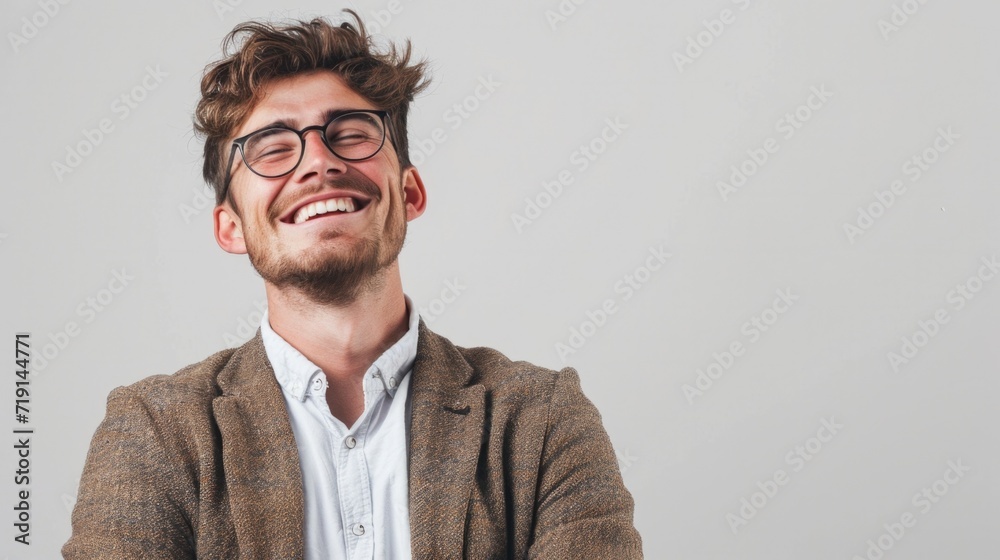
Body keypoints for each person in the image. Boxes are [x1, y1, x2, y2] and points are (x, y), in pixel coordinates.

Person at [63, 10, 642, 559]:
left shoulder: (542, 420)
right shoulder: (156, 430)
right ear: (231, 227)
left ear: (409, 192)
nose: (318, 161)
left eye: (351, 133)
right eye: (272, 148)